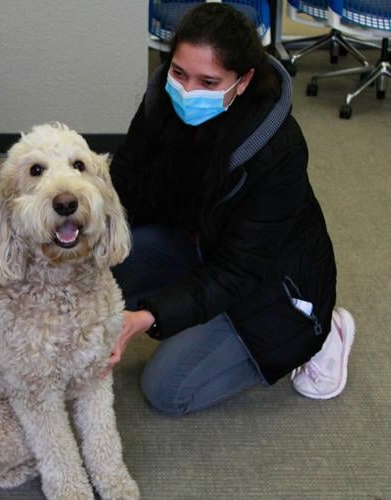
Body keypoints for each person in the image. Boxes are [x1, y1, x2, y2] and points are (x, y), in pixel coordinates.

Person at [106, 4, 355, 415]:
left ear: (243, 81)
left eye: (208, 81)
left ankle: (325, 332)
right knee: (99, 267)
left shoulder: (278, 151)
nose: (187, 91)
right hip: (201, 243)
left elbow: (238, 272)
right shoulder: (160, 100)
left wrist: (147, 315)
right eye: (179, 73)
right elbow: (125, 184)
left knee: (168, 389)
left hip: (271, 289)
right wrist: (71, 222)